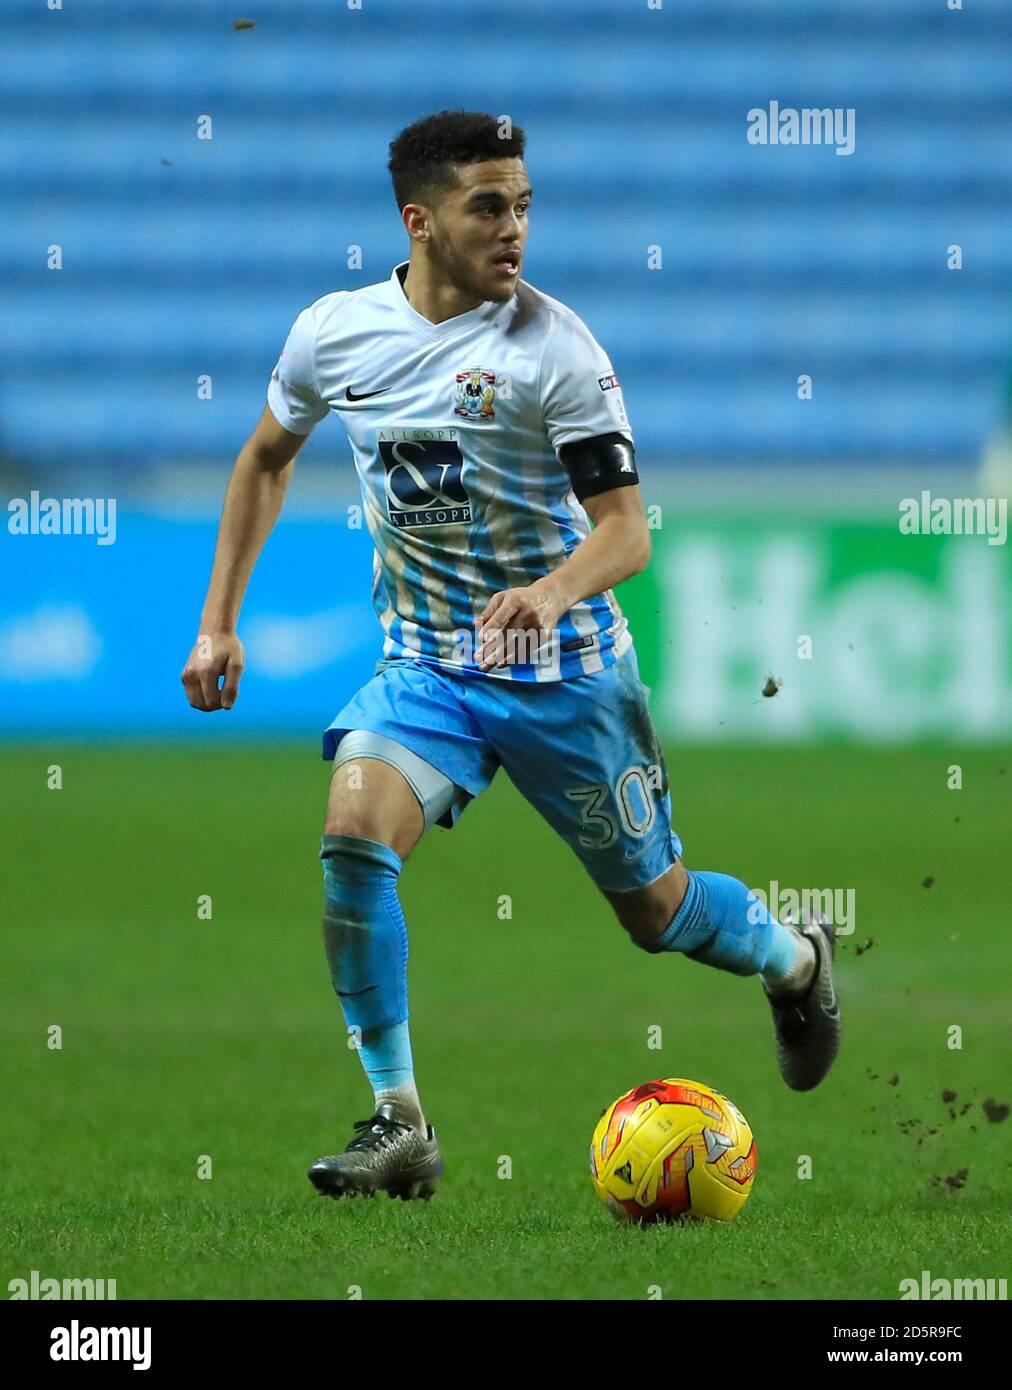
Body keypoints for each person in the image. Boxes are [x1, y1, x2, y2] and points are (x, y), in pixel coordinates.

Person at [181, 110, 840, 1203]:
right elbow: (263, 458)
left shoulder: (557, 351)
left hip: (566, 672)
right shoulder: (333, 334)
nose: (514, 228)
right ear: (419, 218)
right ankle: (400, 1119)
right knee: (352, 829)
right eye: (489, 205)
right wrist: (218, 619)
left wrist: (547, 589)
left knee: (658, 915)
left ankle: (796, 962)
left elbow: (625, 530)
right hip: (428, 669)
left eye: (524, 204)